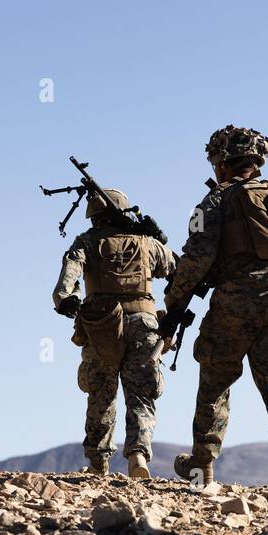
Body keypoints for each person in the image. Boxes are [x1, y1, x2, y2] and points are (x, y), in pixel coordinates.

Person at [162, 125, 268, 498]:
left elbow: (195, 259)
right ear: (258, 161)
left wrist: (174, 301)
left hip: (233, 303)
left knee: (216, 378)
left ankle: (203, 463)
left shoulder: (212, 203)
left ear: (222, 163)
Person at [53, 188, 174, 477]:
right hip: (144, 324)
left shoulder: (87, 241)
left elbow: (69, 273)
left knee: (101, 391)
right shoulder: (147, 243)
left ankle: (97, 462)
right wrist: (157, 237)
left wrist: (65, 297)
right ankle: (138, 457)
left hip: (102, 324)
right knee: (141, 393)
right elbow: (179, 269)